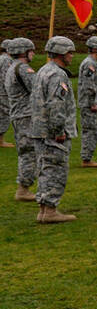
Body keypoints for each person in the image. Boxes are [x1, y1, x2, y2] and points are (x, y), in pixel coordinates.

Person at [30, 36, 78, 223]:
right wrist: (59, 130)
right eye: (69, 52)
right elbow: (56, 104)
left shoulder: (43, 70)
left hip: (40, 130)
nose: (72, 56)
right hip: (53, 132)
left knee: (45, 169)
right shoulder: (58, 75)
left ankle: (44, 209)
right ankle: (50, 210)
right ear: (60, 53)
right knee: (56, 170)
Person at [6, 38, 37, 201]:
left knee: (25, 151)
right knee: (29, 152)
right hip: (26, 115)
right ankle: (23, 189)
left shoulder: (12, 68)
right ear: (23, 52)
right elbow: (38, 89)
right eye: (31, 50)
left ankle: (24, 186)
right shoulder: (23, 69)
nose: (33, 53)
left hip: (19, 115)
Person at [78, 35, 97, 168]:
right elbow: (88, 84)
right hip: (90, 104)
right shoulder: (90, 64)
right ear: (95, 49)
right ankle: (87, 159)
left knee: (91, 130)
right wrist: (93, 102)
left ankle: (87, 157)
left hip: (89, 102)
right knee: (91, 131)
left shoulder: (91, 63)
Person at [0, 39, 14, 147]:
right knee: (4, 115)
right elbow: (6, 77)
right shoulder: (7, 60)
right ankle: (1, 141)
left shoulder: (1, 58)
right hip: (3, 93)